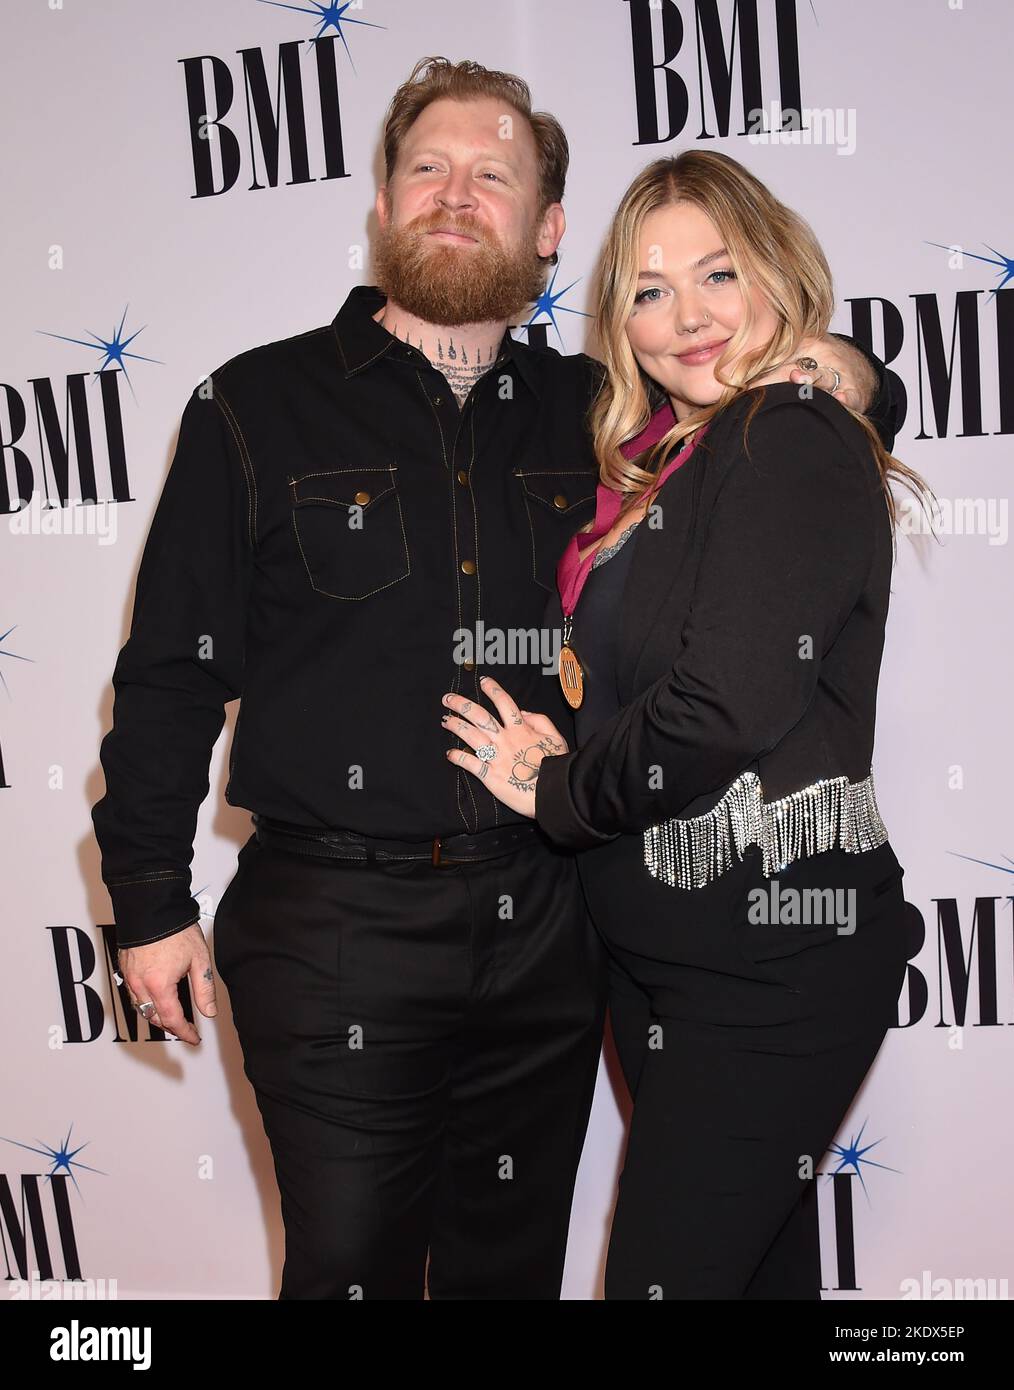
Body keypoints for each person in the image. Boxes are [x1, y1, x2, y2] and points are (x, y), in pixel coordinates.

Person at [91, 57, 888, 1301]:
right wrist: (146, 894)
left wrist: (842, 373)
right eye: (429, 169)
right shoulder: (254, 404)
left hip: (555, 926)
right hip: (332, 926)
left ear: (548, 228)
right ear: (383, 203)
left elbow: (772, 408)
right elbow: (169, 674)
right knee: (348, 1267)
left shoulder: (601, 414)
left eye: (494, 176)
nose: (457, 195)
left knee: (507, 1273)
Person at [443, 148, 933, 1299]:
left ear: (781, 277)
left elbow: (724, 706)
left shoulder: (785, 431)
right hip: (669, 958)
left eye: (719, 274)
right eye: (650, 292)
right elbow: (657, 688)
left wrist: (560, 793)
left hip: (770, 959)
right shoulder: (660, 462)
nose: (687, 317)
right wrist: (564, 745)